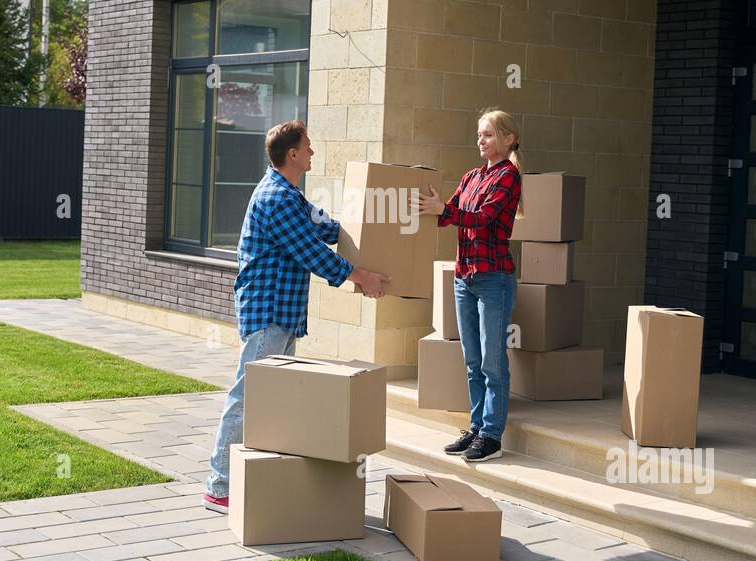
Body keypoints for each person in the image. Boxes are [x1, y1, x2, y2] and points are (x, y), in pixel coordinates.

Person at [203, 120, 388, 512]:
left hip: (282, 312)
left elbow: (323, 226)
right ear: (292, 154)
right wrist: (364, 277)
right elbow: (312, 253)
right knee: (248, 394)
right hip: (268, 310)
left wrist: (363, 232)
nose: (312, 153)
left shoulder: (289, 193)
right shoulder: (277, 198)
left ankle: (255, 477)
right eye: (308, 147)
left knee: (271, 397)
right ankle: (219, 485)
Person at [418, 108, 524, 462]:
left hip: (494, 279)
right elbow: (448, 212)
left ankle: (492, 436)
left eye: (489, 135)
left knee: (492, 362)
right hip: (464, 278)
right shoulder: (471, 176)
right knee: (472, 360)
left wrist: (443, 211)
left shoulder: (509, 177)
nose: (481, 140)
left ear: (508, 139)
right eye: (479, 134)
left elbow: (482, 219)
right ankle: (477, 428)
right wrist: (428, 210)